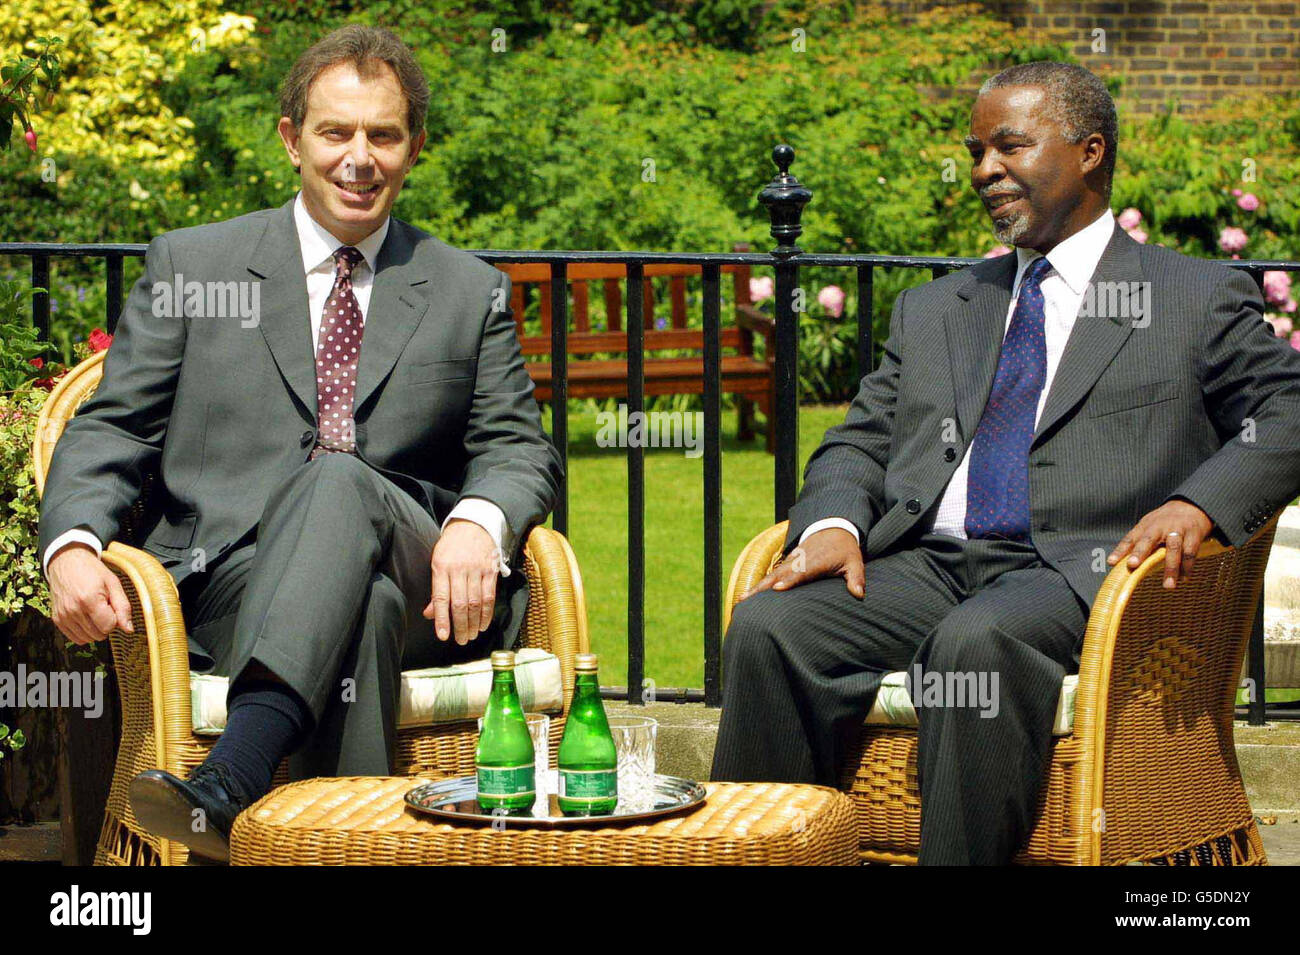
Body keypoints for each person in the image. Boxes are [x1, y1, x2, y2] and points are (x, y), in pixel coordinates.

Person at [710, 61, 1300, 865]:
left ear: (1090, 151)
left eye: (1010, 146)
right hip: (930, 565)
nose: (985, 169)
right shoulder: (939, 307)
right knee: (771, 625)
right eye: (978, 150)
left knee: (978, 640)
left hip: (1080, 571)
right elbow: (860, 438)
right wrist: (837, 522)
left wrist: (1198, 504)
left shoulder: (1192, 296)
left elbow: (1289, 411)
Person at [38, 25, 562, 861]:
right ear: (291, 140)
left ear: (414, 148)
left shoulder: (467, 290)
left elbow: (520, 447)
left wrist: (480, 517)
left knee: (337, 480)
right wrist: (71, 544)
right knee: (363, 612)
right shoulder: (193, 267)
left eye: (384, 135)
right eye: (336, 132)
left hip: (425, 579)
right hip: (229, 584)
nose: (360, 158)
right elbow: (114, 426)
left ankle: (234, 777)